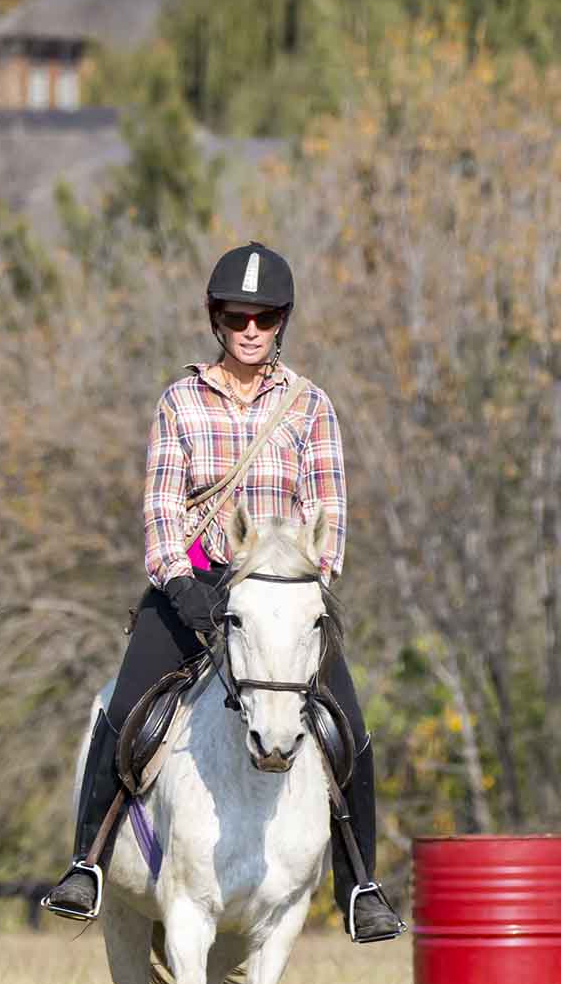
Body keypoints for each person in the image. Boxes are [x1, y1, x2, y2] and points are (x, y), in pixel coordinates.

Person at [40, 242, 403, 942]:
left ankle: (360, 883)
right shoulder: (179, 401)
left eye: (264, 318)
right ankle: (86, 863)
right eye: (237, 317)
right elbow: (160, 507)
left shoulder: (310, 406)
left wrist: (299, 594)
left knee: (349, 728)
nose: (250, 329)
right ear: (216, 319)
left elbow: (329, 513)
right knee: (124, 711)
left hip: (281, 596)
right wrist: (180, 586)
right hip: (193, 585)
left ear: (282, 321)